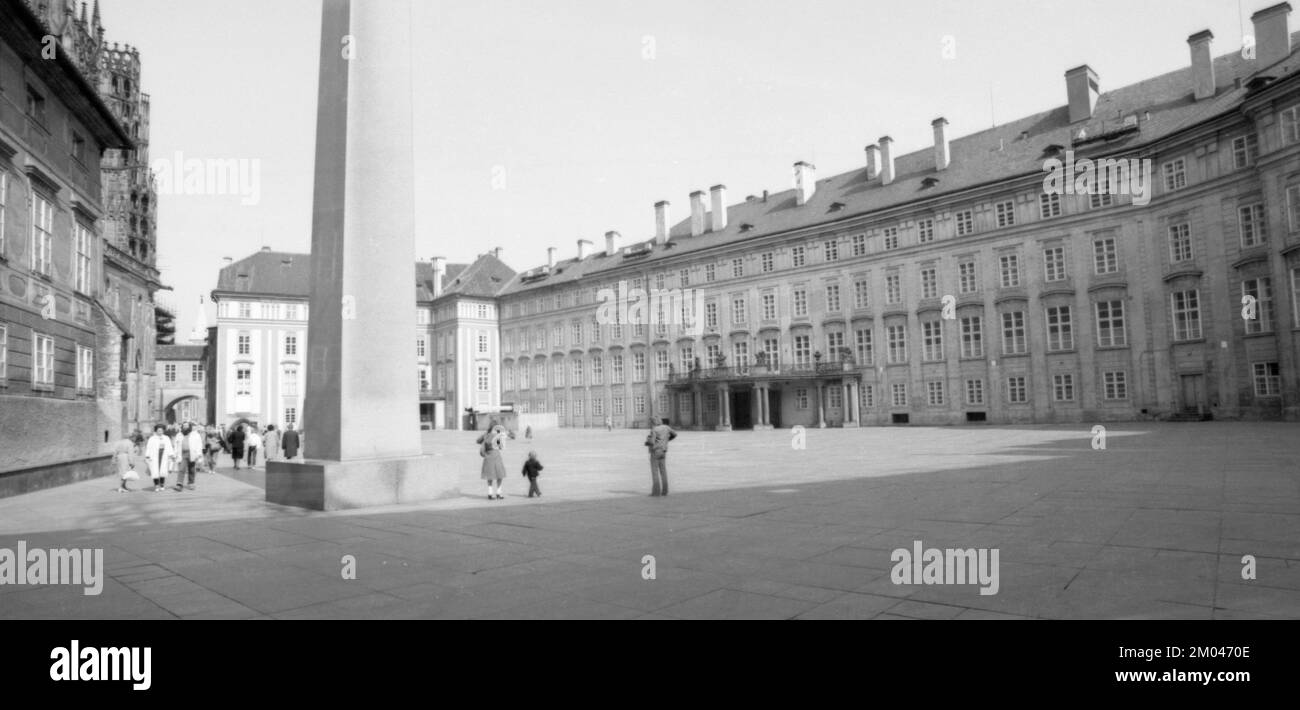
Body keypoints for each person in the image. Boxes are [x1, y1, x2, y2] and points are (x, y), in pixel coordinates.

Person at [644, 416, 677, 497]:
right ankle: (665, 491)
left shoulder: (654, 430)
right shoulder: (666, 427)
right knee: (663, 472)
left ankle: (656, 492)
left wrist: (646, 442)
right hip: (663, 451)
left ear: (653, 422)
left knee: (655, 472)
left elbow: (652, 442)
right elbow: (675, 434)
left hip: (655, 452)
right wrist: (667, 440)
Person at [477, 425, 507, 500]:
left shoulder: (485, 436)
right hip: (496, 457)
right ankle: (498, 493)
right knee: (499, 476)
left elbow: (478, 442)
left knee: (490, 477)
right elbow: (501, 447)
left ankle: (490, 493)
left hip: (488, 458)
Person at [144, 424, 175, 492]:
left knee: (163, 471)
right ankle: (156, 485)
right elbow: (149, 447)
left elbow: (169, 447)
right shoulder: (152, 438)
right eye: (158, 431)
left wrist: (171, 454)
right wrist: (147, 455)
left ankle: (162, 484)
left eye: (161, 431)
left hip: (164, 455)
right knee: (154, 471)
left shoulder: (166, 438)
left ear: (163, 431)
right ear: (156, 431)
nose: (160, 432)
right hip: (154, 456)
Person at [174, 423, 204, 491]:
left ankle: (191, 483)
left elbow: (199, 445)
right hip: (182, 454)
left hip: (192, 453)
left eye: (187, 426)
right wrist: (175, 453)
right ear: (182, 427)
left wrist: (199, 453)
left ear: (189, 427)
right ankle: (179, 484)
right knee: (181, 469)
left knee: (192, 469)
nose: (185, 427)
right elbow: (176, 444)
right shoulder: (179, 435)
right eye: (184, 426)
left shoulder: (195, 434)